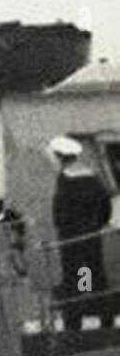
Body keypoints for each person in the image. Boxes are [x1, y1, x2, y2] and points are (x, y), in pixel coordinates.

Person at [49, 135, 116, 331]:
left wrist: (65, 227)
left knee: (78, 279)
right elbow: (105, 206)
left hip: (72, 241)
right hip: (91, 237)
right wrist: (97, 225)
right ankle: (105, 319)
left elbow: (59, 213)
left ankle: (75, 323)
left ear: (60, 157)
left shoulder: (65, 180)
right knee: (95, 277)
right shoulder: (92, 178)